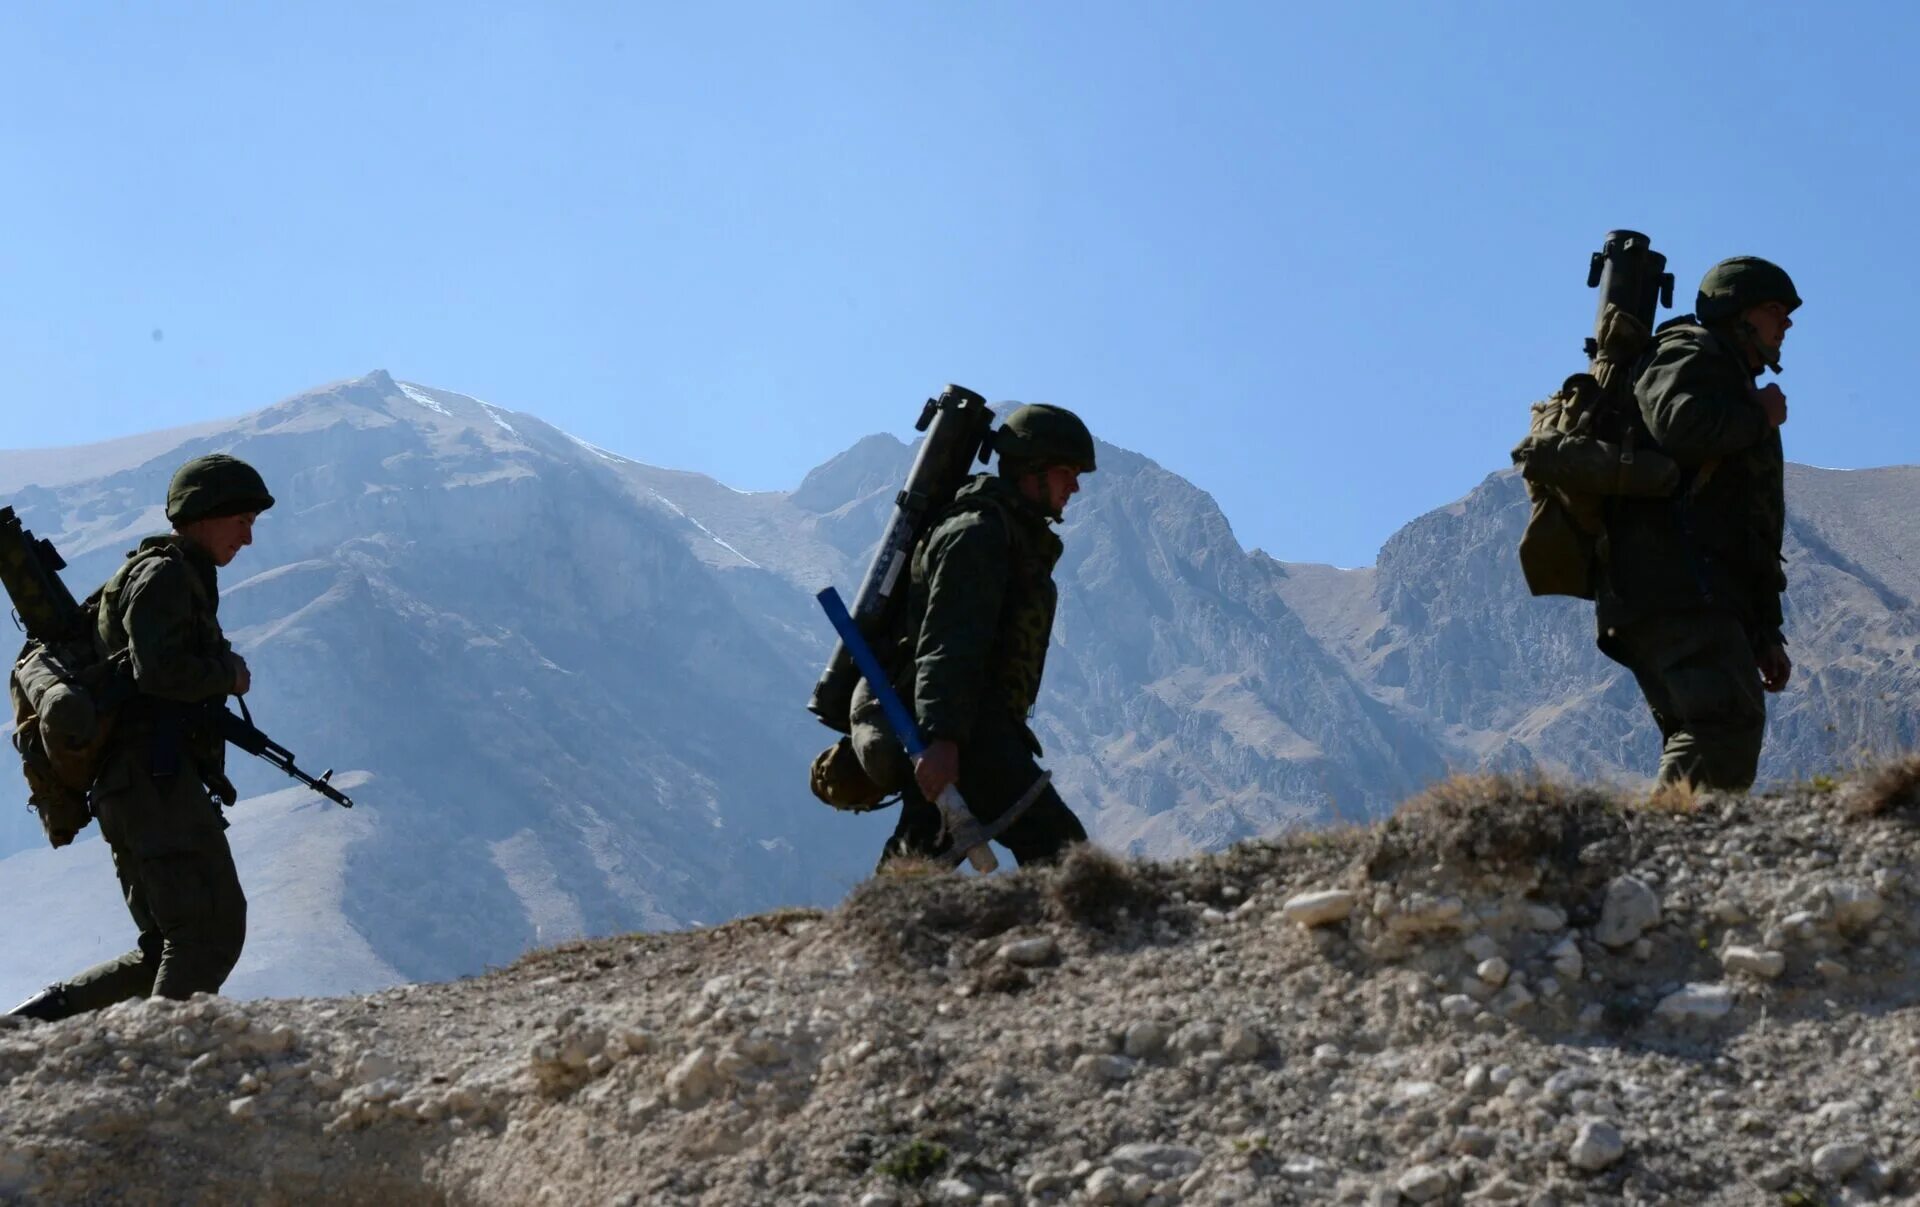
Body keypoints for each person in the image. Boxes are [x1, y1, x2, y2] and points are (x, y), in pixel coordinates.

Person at [7, 453, 273, 1021]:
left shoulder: (172, 573)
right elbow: (158, 672)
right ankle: (163, 1063)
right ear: (205, 514)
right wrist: (228, 673)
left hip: (137, 786)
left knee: (166, 948)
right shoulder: (166, 575)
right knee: (206, 933)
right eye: (241, 521)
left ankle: (22, 1032)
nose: (248, 538)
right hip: (151, 784)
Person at [849, 404, 1096, 868]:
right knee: (1065, 855)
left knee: (916, 868)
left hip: (964, 731)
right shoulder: (978, 534)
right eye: (1069, 472)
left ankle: (865, 940)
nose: (1076, 487)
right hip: (968, 734)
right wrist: (943, 740)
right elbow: (950, 641)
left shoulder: (1008, 534)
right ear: (1033, 469)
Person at [1596, 257, 1800, 791]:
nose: (1787, 324)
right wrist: (1759, 414)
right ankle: (1664, 858)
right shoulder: (1689, 350)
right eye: (1774, 310)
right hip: (1673, 586)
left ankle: (1665, 861)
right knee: (1722, 724)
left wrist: (1764, 631)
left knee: (1712, 727)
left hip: (1694, 593)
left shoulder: (1732, 379)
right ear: (1737, 313)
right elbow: (1678, 425)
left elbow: (1748, 526)